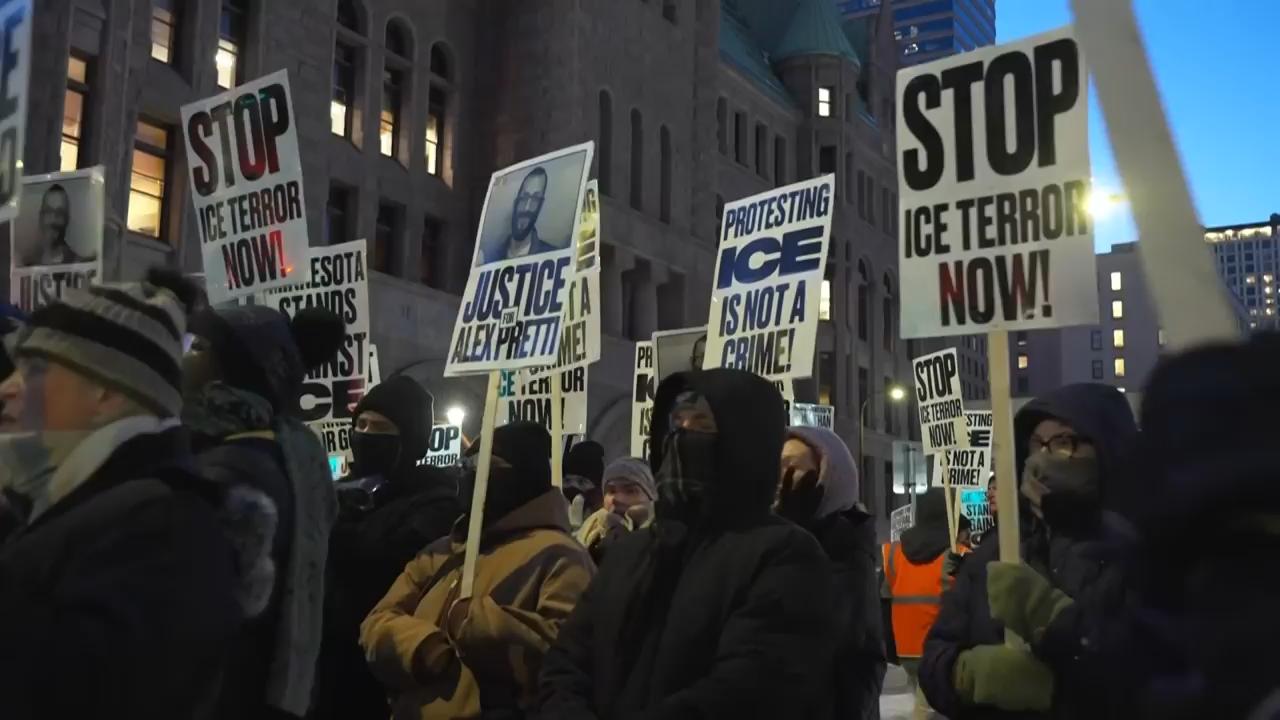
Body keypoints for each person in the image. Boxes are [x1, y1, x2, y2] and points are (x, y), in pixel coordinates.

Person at [0, 271, 268, 718]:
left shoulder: (168, 530)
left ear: (106, 392)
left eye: (34, 369)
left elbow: (73, 690)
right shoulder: (82, 504)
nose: (7, 387)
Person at [537, 369, 836, 718]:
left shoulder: (784, 555)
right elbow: (565, 664)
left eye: (701, 424)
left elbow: (746, 690)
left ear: (744, 442)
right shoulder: (630, 553)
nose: (682, 435)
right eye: (676, 423)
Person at [919, 383, 1137, 718]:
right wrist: (962, 674)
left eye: (1064, 442)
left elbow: (1157, 675)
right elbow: (937, 654)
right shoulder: (998, 547)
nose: (1044, 457)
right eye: (1036, 443)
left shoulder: (1144, 550)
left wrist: (1054, 633)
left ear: (1107, 448)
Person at [361, 421, 595, 718]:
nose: (468, 473)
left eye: (483, 464)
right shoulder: (442, 551)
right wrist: (422, 646)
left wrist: (481, 621)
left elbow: (567, 654)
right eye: (465, 464)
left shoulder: (559, 555)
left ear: (521, 475)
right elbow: (376, 622)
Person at [182, 303, 346, 719]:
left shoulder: (235, 468)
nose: (185, 356)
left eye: (199, 347)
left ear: (233, 369)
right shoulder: (273, 453)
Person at [315, 374, 462, 720]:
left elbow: (384, 560)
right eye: (361, 425)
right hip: (326, 660)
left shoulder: (436, 502)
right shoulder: (342, 492)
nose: (366, 435)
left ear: (408, 440)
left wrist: (335, 526)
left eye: (380, 428)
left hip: (382, 663)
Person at [777, 426, 886, 720]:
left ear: (828, 476)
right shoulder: (772, 537)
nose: (780, 478)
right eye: (776, 466)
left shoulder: (845, 548)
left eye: (792, 466)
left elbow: (851, 657)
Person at [881, 487, 964, 720]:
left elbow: (884, 603)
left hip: (906, 649)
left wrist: (889, 647)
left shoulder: (894, 553)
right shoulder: (957, 555)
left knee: (923, 704)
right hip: (940, 651)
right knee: (932, 710)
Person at [576, 456, 656, 564]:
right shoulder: (591, 530)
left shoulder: (663, 537)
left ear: (651, 496)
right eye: (611, 491)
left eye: (630, 491)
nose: (615, 499)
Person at [485, 167, 554, 264]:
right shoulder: (490, 257)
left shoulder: (551, 256)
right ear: (515, 202)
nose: (527, 207)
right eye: (524, 197)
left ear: (541, 206)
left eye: (535, 199)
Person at [26, 184, 91, 266]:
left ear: (66, 219)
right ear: (41, 217)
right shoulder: (27, 265)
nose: (53, 219)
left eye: (59, 213)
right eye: (48, 211)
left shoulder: (79, 265)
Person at [562, 440, 604, 530]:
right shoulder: (556, 511)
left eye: (581, 482)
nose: (573, 486)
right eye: (567, 481)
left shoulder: (606, 519)